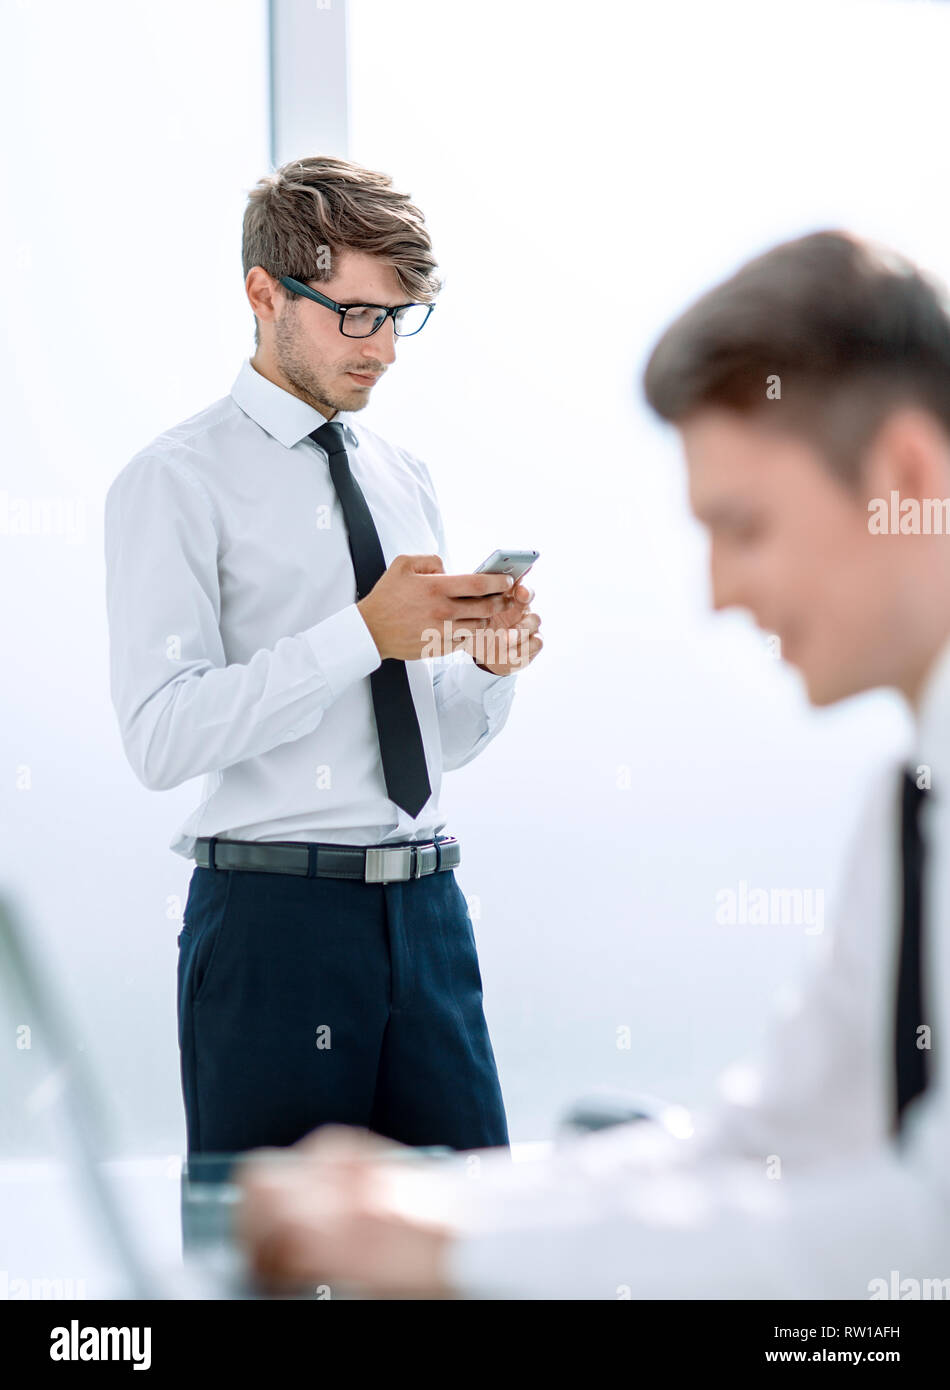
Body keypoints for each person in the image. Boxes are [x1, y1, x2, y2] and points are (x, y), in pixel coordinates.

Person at [234, 228, 950, 1297]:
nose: (716, 593)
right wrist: (433, 1206)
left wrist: (456, 1252)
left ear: (903, 474)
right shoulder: (907, 806)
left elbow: (917, 1226)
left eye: (742, 526)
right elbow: (773, 1137)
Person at [103, 155, 542, 1160]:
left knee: (467, 1245)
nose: (381, 348)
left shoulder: (402, 476)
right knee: (278, 1269)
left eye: (398, 318)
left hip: (430, 914)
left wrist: (487, 665)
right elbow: (160, 737)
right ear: (265, 294)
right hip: (275, 928)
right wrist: (361, 634)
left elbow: (426, 741)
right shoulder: (172, 482)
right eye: (355, 313)